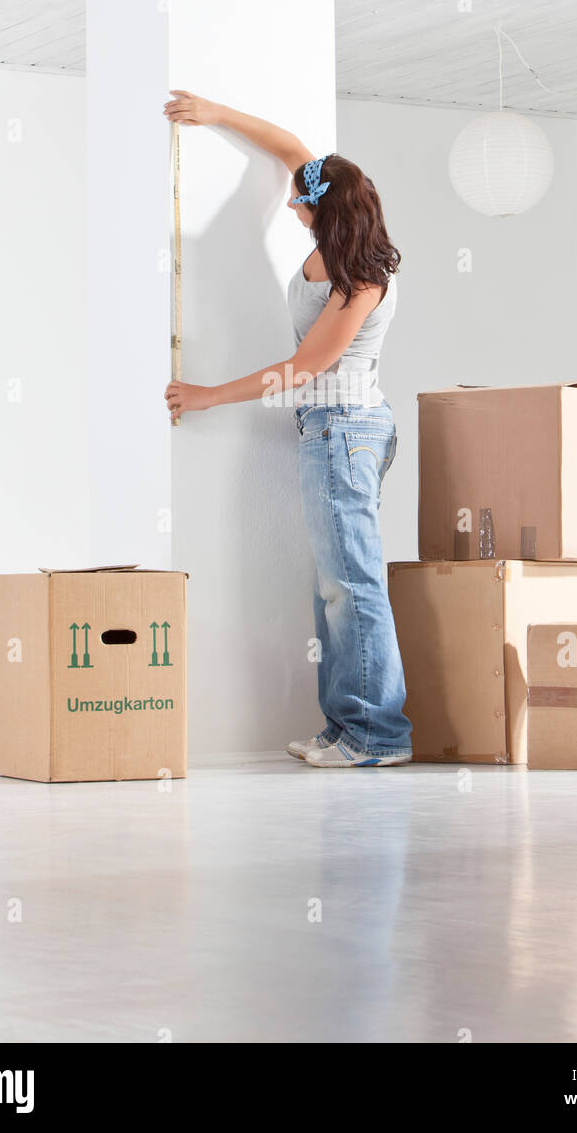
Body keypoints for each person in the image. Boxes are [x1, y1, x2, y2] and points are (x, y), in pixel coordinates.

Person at [162, 91, 411, 767]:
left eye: (302, 206)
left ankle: (377, 735)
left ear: (326, 211)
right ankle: (346, 725)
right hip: (331, 431)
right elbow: (289, 146)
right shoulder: (328, 206)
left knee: (352, 584)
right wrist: (214, 113)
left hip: (345, 429)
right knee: (333, 584)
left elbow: (304, 368)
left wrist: (208, 396)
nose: (293, 209)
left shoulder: (362, 279)